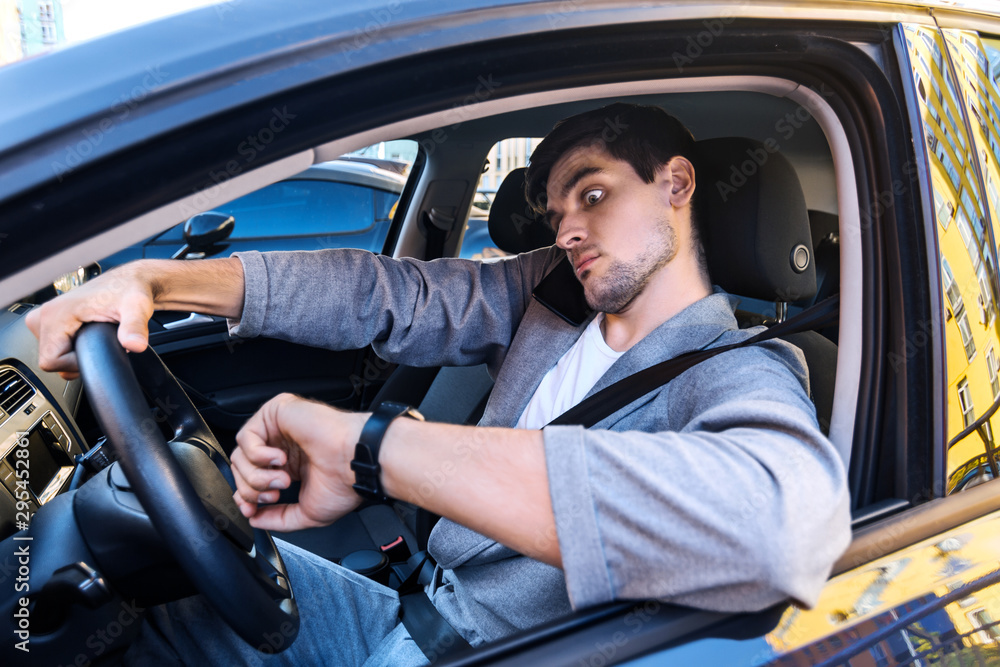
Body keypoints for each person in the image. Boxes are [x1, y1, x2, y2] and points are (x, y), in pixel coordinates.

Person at [26, 103, 851, 664]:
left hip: (484, 649)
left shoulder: (739, 369)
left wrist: (377, 450)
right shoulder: (552, 293)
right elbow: (382, 293)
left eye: (593, 194)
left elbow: (780, 523)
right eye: (558, 206)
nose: (567, 227)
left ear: (675, 186)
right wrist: (156, 283)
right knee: (134, 580)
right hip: (417, 596)